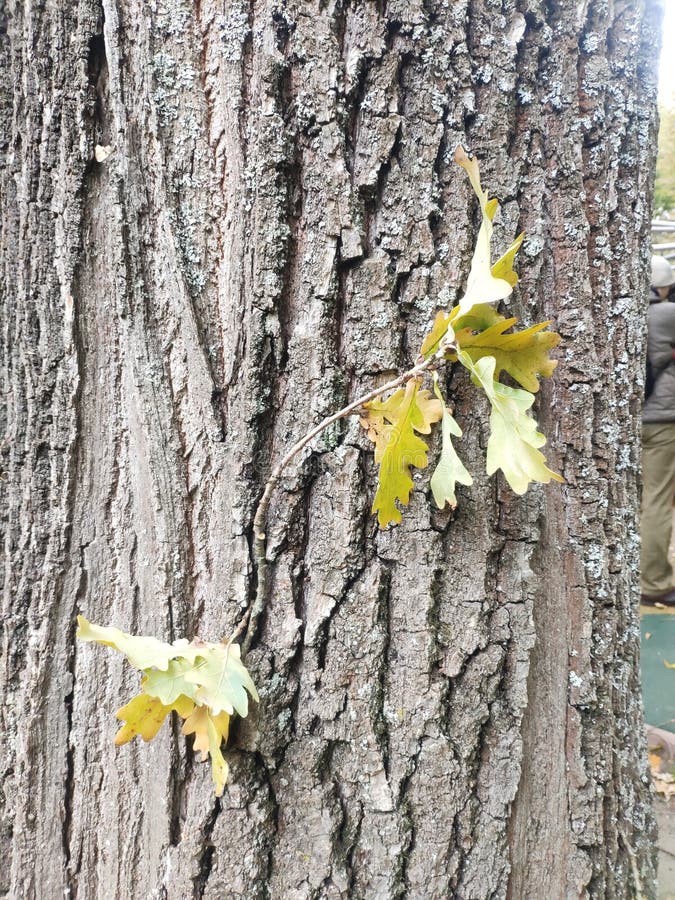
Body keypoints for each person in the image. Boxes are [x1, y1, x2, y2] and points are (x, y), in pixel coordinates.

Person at [641, 255, 675, 606]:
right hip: (662, 421)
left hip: (630, 421)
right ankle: (653, 583)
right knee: (657, 500)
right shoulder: (667, 313)